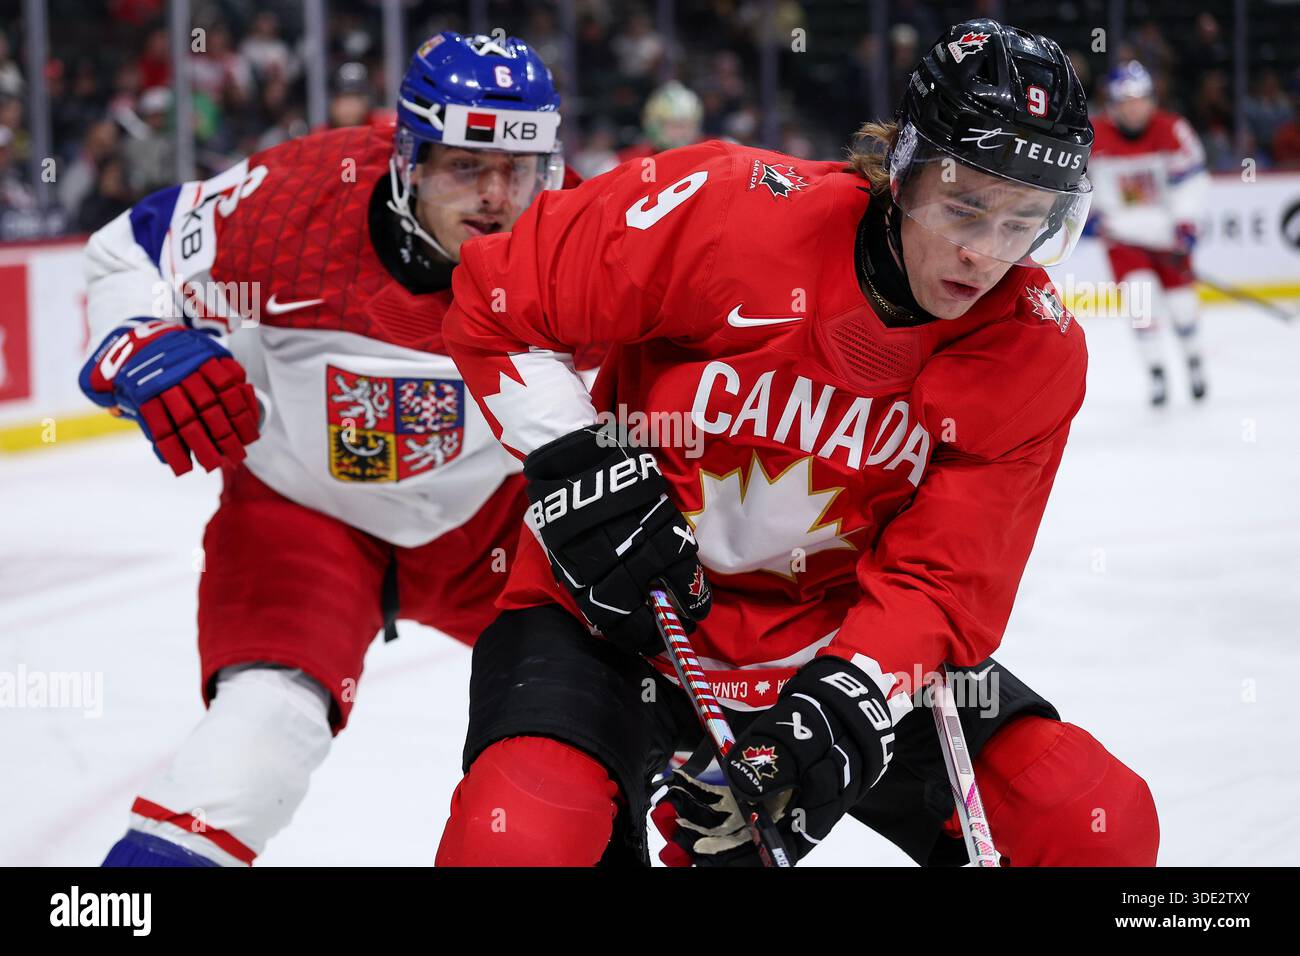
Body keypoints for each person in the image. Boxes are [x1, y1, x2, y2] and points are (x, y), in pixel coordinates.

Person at [436, 19, 1159, 867]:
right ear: (903, 169)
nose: (982, 252)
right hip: (618, 620)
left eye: (1024, 222)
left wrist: (853, 697)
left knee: (1086, 818)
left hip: (833, 635)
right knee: (516, 836)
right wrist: (575, 459)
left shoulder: (1031, 349)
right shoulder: (725, 208)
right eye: (961, 204)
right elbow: (498, 299)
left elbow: (944, 578)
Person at [80, 32, 566, 867]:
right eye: (465, 167)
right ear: (407, 159)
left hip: (494, 528)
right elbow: (133, 250)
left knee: (611, 733)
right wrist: (136, 344)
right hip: (302, 513)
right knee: (259, 733)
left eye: (519, 170)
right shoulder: (292, 200)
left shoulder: (582, 244)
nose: (497, 197)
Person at [1090, 60, 1211, 405]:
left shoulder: (1173, 131)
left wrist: (1185, 224)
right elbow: (1078, 185)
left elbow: (1193, 182)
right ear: (1113, 104)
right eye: (1126, 100)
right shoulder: (1094, 135)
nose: (1134, 107)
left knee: (1182, 306)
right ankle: (1157, 373)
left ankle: (1193, 360)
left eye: (1140, 98)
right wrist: (1089, 217)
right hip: (1124, 240)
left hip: (1166, 237)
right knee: (1140, 301)